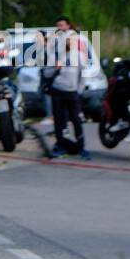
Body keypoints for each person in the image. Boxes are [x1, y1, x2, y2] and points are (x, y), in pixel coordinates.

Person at [44, 18, 91, 159]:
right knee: (59, 121)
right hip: (58, 91)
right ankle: (61, 145)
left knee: (76, 120)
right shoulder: (55, 55)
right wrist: (55, 68)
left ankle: (82, 147)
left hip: (72, 92)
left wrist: (79, 90)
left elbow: (84, 75)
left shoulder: (80, 56)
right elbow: (46, 73)